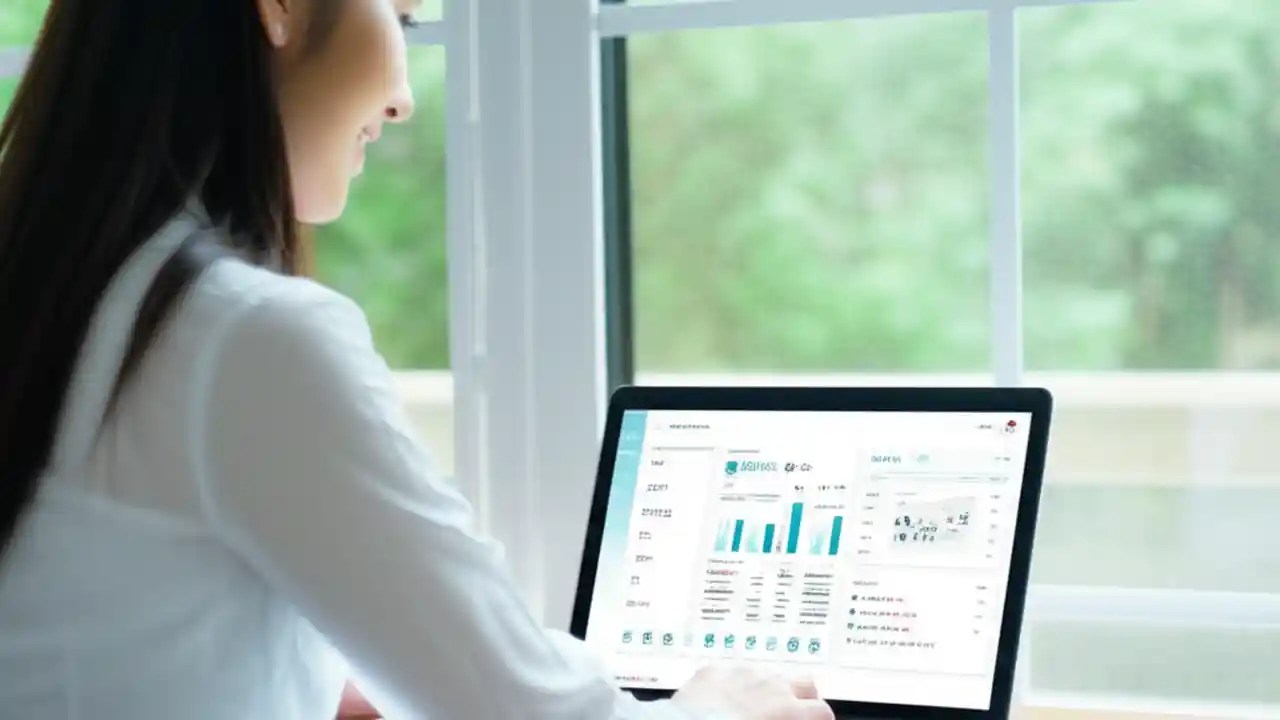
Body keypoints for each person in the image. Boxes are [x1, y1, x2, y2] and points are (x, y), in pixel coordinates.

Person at [0, 2, 835, 719]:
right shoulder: (242, 337)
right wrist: (725, 703)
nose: (401, 99)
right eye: (399, 16)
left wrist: (308, 674)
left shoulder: (66, 294)